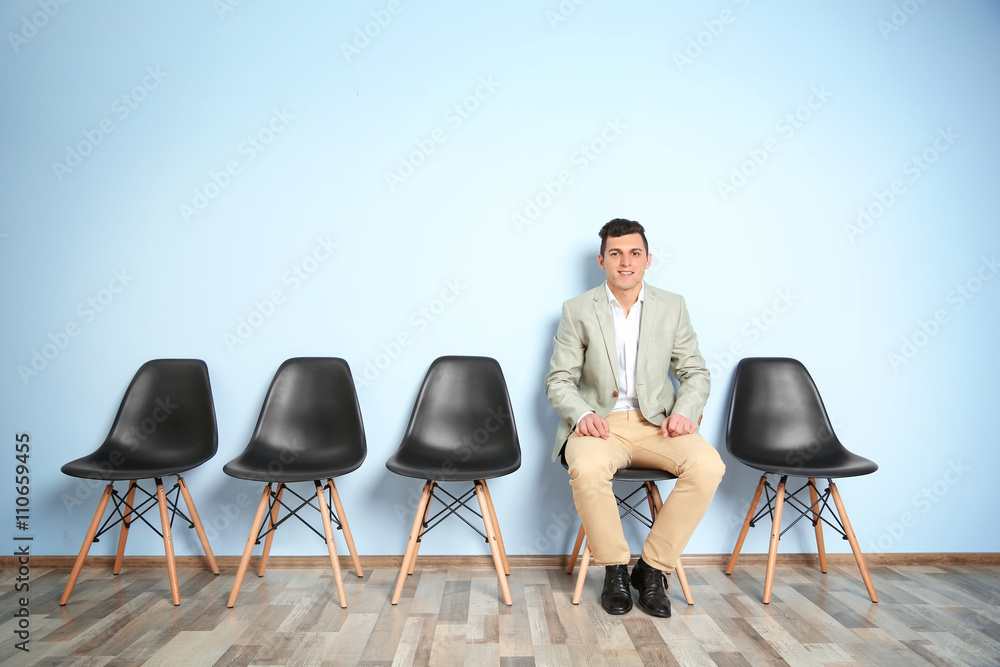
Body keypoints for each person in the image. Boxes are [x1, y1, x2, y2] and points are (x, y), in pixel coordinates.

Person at [545, 218, 725, 617]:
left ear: (647, 260)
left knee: (709, 466)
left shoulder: (672, 306)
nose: (625, 262)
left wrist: (684, 411)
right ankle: (614, 571)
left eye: (634, 253)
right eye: (616, 253)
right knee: (588, 471)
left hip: (657, 425)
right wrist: (583, 413)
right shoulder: (577, 310)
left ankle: (652, 568)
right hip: (601, 427)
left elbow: (695, 372)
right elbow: (559, 380)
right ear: (602, 260)